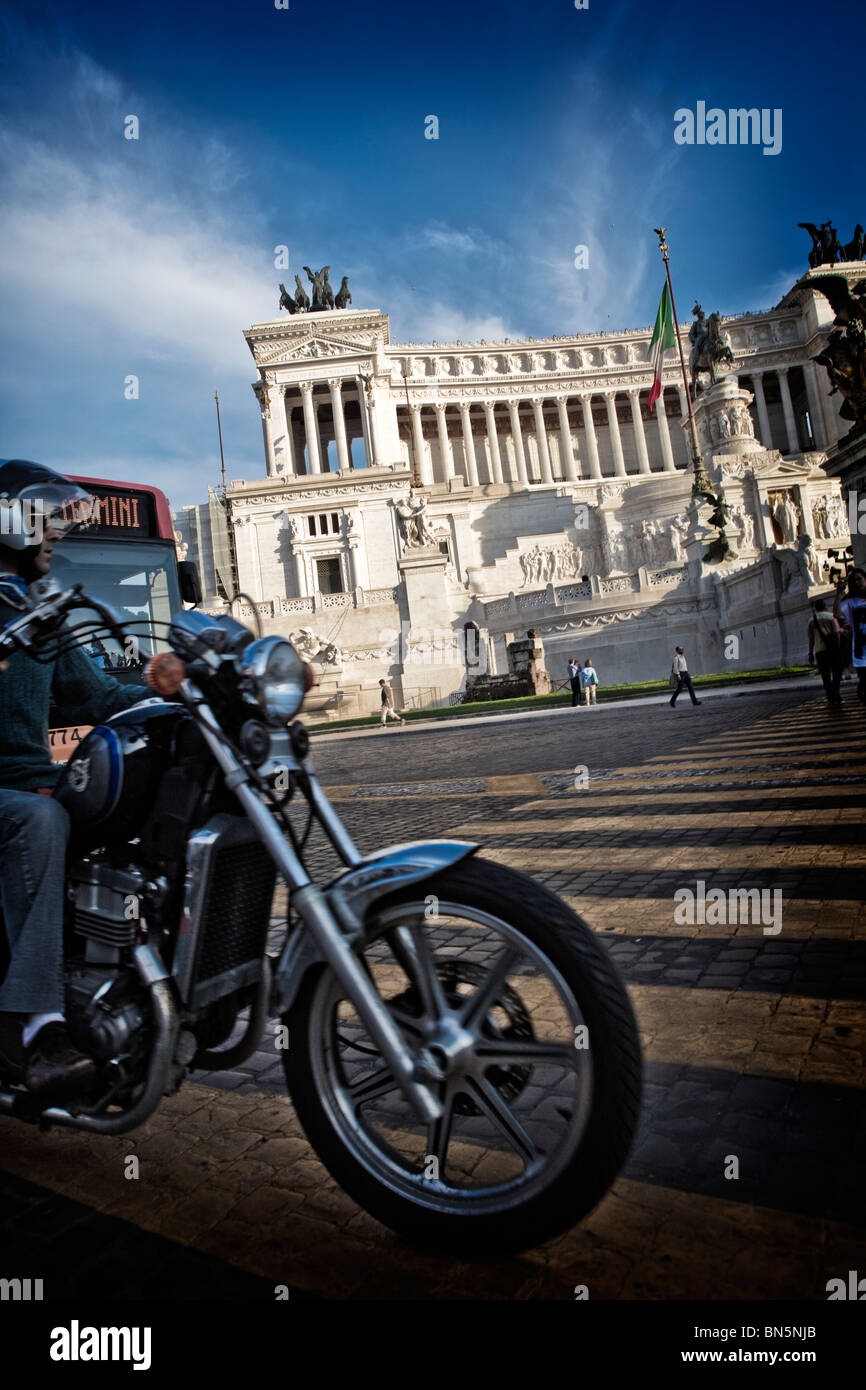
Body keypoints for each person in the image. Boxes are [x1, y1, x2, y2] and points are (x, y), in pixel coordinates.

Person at [0, 459, 151, 1096]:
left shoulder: (42, 613)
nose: (57, 531)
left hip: (35, 783)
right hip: (12, 797)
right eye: (45, 518)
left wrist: (174, 686)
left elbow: (92, 695)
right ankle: (38, 1027)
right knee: (41, 817)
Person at [834, 567, 866, 704]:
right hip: (862, 653)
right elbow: (837, 613)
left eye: (860, 579)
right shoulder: (850, 602)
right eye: (854, 580)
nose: (858, 582)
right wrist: (839, 593)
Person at [807, 599, 843, 706]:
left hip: (820, 651)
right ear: (825, 606)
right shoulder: (831, 616)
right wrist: (839, 647)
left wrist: (810, 653)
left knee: (825, 675)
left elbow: (811, 639)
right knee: (837, 672)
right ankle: (836, 693)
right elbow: (837, 633)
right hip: (833, 649)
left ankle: (830, 696)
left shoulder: (811, 620)